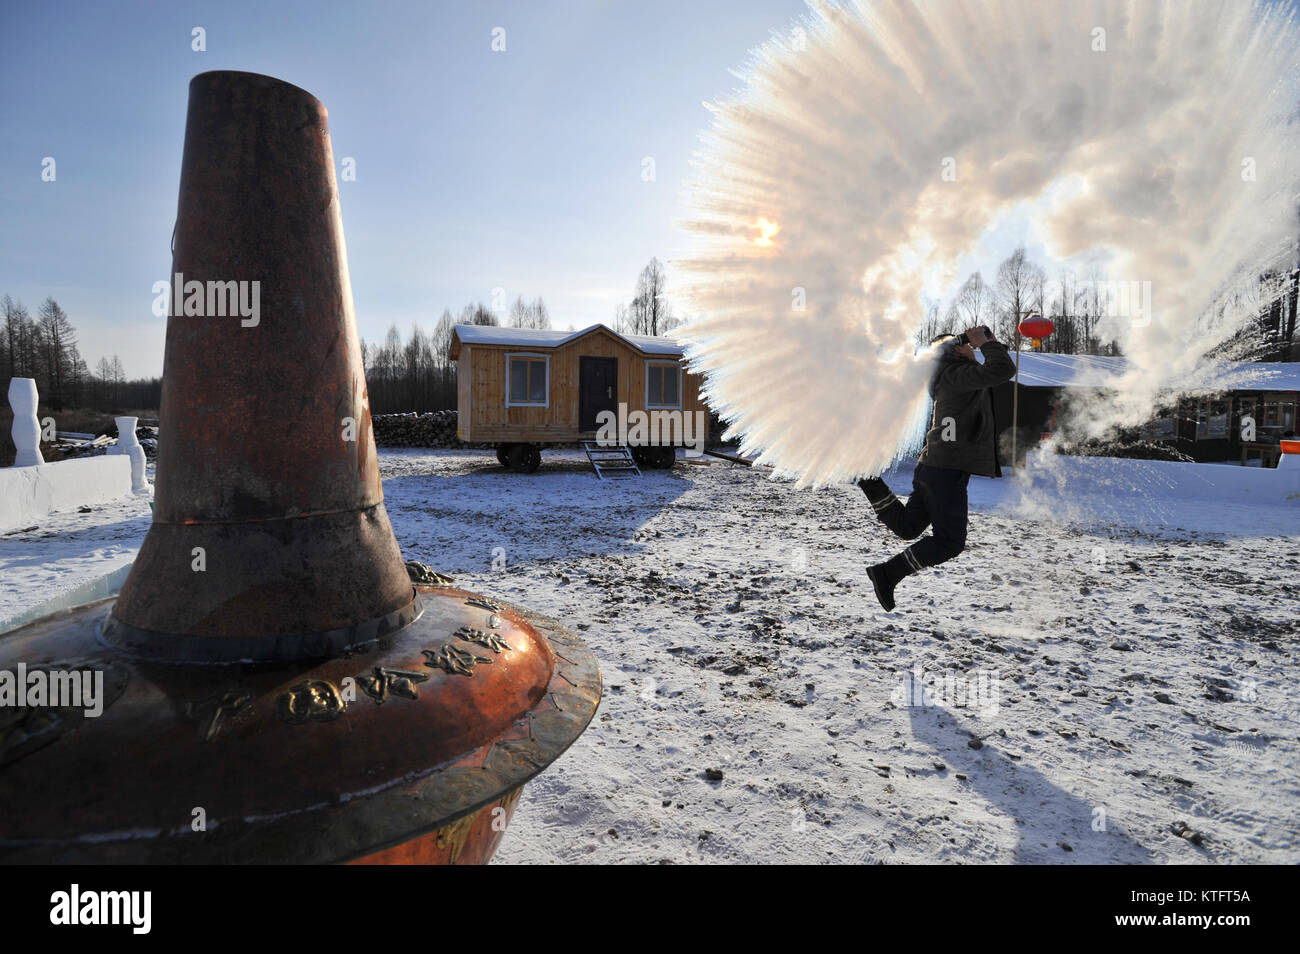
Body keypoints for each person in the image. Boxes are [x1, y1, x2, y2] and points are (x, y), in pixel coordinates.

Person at [857, 325, 1016, 611]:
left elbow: (995, 372)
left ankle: (869, 482)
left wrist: (981, 344)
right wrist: (987, 342)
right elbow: (1002, 370)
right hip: (945, 470)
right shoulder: (956, 374)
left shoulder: (952, 375)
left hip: (935, 466)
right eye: (966, 345)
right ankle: (888, 573)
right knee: (950, 542)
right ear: (954, 350)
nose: (972, 348)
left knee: (909, 527)